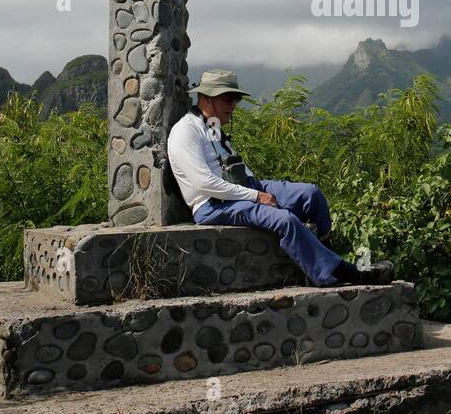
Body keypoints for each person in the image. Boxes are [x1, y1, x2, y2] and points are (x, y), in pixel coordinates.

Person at [167, 68, 394, 288]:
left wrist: (256, 188)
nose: (233, 105)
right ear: (206, 98)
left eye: (236, 99)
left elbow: (228, 163)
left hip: (243, 188)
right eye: (228, 99)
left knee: (311, 195)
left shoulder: (212, 125)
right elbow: (204, 183)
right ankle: (345, 273)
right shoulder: (186, 131)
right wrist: (256, 196)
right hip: (214, 204)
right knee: (285, 220)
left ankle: (329, 257)